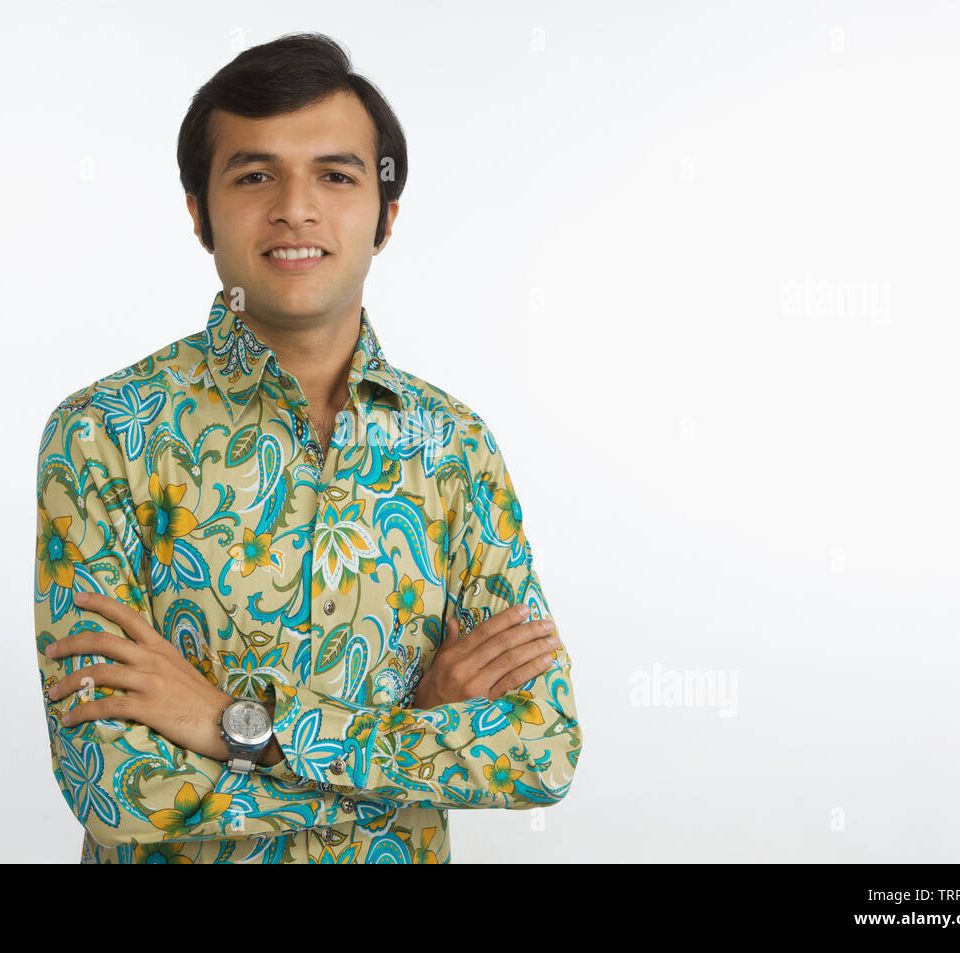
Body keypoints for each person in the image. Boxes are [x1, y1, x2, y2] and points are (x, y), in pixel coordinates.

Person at [33, 32, 581, 864]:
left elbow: (543, 749)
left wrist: (234, 725)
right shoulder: (107, 434)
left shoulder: (454, 448)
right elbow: (115, 782)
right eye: (254, 175)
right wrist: (410, 742)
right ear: (198, 211)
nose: (296, 206)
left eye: (335, 174)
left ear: (386, 215)